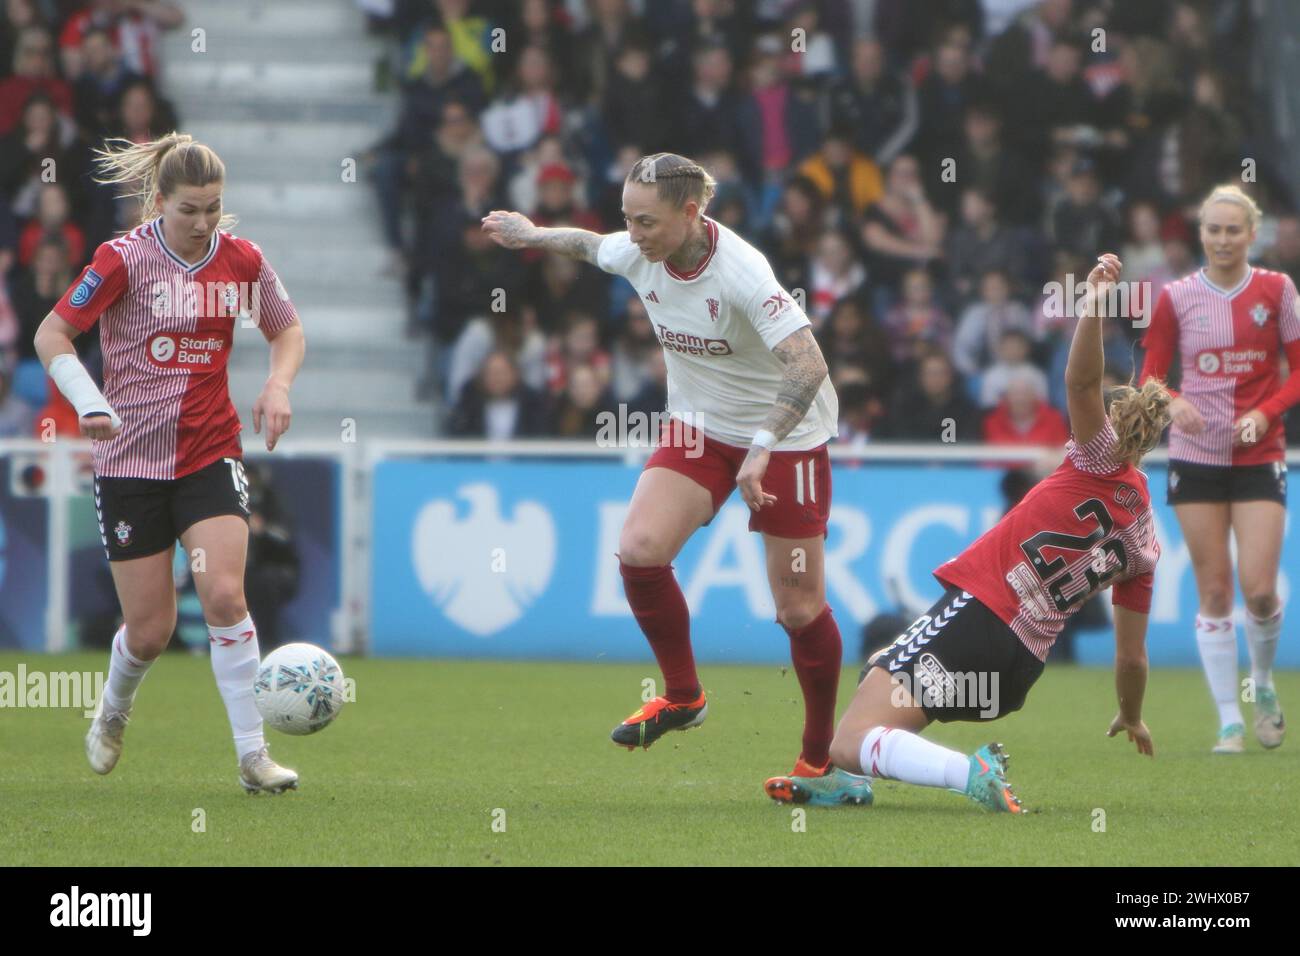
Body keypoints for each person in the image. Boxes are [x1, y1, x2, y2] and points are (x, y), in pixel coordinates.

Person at [482, 152, 864, 803]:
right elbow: (586, 243)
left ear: (693, 211)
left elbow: (809, 365)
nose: (635, 234)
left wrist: (763, 445)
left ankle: (818, 761)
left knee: (797, 607)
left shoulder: (742, 272)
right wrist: (533, 233)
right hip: (698, 428)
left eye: (647, 222)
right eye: (629, 219)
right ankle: (684, 697)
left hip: (787, 438)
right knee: (639, 550)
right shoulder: (638, 251)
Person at [768, 253, 1171, 810]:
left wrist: (1095, 305)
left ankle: (969, 771)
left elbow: (1079, 380)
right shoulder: (1146, 538)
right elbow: (1131, 659)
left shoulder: (1096, 459)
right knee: (882, 669)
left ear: (1112, 425)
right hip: (1020, 669)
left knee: (851, 739)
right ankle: (851, 780)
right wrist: (1131, 713)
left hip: (983, 616)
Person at [32, 132, 307, 793]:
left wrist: (277, 384)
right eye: (189, 209)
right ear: (160, 201)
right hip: (129, 461)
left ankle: (252, 757)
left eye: (213, 207)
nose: (203, 222)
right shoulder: (121, 258)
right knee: (150, 630)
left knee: (223, 594)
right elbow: (52, 333)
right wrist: (88, 400)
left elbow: (287, 329)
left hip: (208, 452)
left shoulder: (242, 261)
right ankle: (112, 711)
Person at [1139, 184, 1300, 754]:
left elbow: (1297, 373)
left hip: (1259, 456)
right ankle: (1230, 719)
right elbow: (1150, 374)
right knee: (1213, 589)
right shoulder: (1176, 296)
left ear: (1252, 234)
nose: (1224, 239)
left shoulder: (1278, 290)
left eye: (1235, 229)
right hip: (1195, 457)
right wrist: (1172, 400)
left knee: (1258, 592)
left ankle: (1262, 685)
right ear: (1200, 234)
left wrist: (1266, 411)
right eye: (1214, 229)